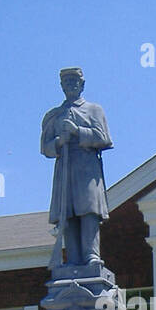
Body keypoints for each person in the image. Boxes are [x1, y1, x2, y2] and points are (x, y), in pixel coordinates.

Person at [41, 67, 112, 265]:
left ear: (82, 85)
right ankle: (72, 258)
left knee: (89, 209)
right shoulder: (54, 115)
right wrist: (58, 141)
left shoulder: (94, 110)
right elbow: (45, 148)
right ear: (61, 86)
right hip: (64, 166)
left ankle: (92, 255)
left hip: (87, 165)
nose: (71, 84)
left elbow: (104, 138)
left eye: (75, 81)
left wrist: (77, 131)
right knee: (68, 212)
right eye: (67, 81)